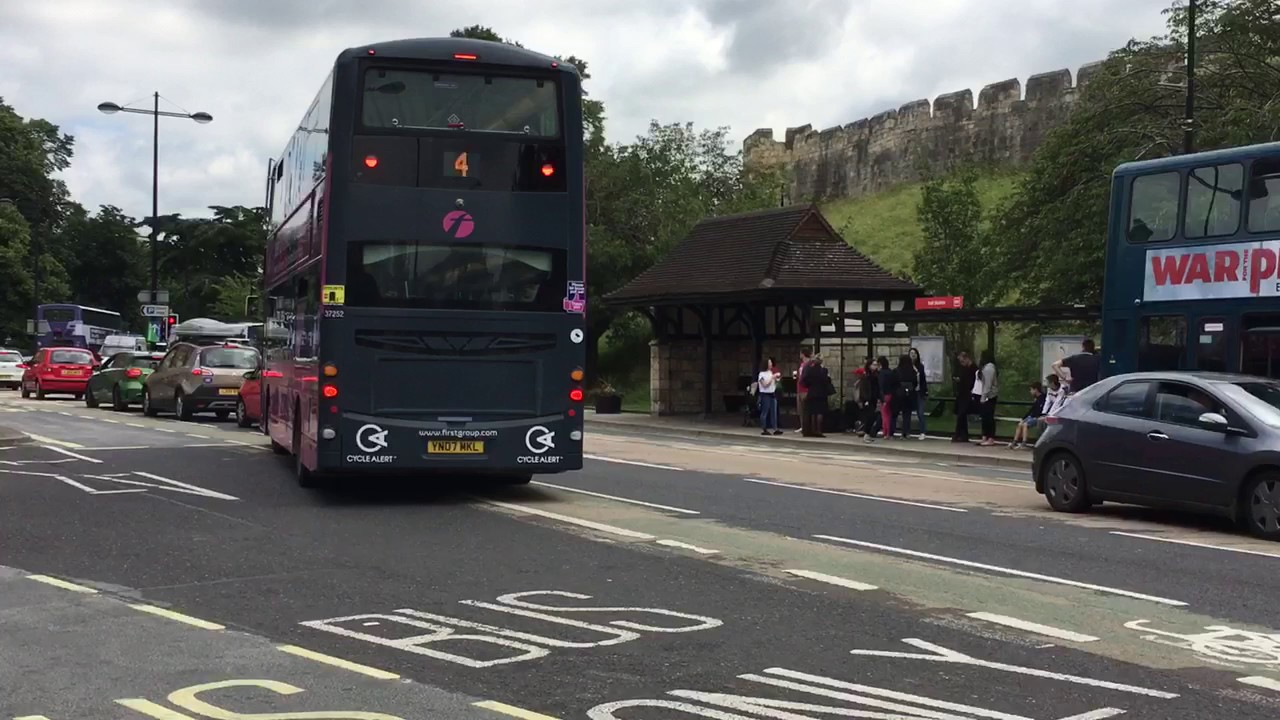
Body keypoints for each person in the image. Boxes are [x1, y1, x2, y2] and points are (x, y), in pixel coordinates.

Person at [801, 356, 833, 437]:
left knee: (812, 412)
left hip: (812, 392)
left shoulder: (810, 370)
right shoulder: (824, 371)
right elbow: (827, 381)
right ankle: (819, 430)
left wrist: (810, 386)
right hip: (821, 393)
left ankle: (812, 430)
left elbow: (805, 380)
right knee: (819, 412)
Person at [1008, 381, 1046, 449]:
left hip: (1038, 417)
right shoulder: (1036, 399)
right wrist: (1024, 418)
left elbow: (1040, 410)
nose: (1030, 391)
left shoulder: (1043, 398)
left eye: (1031, 389)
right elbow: (1031, 409)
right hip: (1032, 416)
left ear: (1036, 390)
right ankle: (1015, 441)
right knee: (1020, 424)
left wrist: (1032, 416)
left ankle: (1024, 443)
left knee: (1025, 424)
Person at [976, 349, 999, 446]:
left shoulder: (988, 368)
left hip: (989, 396)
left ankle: (990, 438)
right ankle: (985, 436)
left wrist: (983, 397)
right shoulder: (989, 367)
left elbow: (987, 385)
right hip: (989, 395)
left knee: (988, 417)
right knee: (985, 417)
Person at [952, 351, 976, 443]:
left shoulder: (973, 369)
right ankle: (963, 435)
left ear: (966, 359)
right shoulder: (964, 369)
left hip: (968, 394)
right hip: (962, 394)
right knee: (961, 414)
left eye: (962, 361)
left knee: (962, 414)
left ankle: (958, 434)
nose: (961, 364)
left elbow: (972, 382)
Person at [756, 357, 782, 436]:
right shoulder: (761, 374)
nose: (771, 364)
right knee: (765, 411)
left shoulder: (770, 372)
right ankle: (764, 428)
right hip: (765, 394)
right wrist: (772, 378)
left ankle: (775, 428)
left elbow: (773, 382)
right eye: (769, 363)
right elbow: (765, 385)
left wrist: (777, 378)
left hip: (772, 393)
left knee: (774, 412)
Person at [858, 358, 881, 442]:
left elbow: (877, 387)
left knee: (874, 416)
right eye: (874, 365)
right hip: (868, 399)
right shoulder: (866, 376)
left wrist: (879, 397)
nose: (875, 367)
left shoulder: (876, 375)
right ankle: (866, 434)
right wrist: (865, 399)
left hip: (874, 398)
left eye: (876, 365)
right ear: (869, 366)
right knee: (869, 416)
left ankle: (868, 433)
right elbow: (863, 388)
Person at [894, 354, 916, 438]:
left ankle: (893, 431)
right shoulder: (912, 371)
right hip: (909, 394)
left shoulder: (897, 370)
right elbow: (915, 382)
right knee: (907, 414)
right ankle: (906, 432)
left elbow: (894, 381)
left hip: (900, 394)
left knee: (896, 413)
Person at [908, 347, 928, 439]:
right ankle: (906, 431)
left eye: (914, 353)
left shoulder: (920, 366)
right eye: (911, 353)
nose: (913, 355)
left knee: (920, 412)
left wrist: (925, 391)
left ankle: (922, 432)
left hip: (920, 392)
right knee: (907, 411)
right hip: (911, 392)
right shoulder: (907, 367)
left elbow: (923, 380)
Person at [794, 347, 813, 435]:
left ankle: (807, 426)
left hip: (806, 389)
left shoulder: (809, 364)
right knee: (800, 410)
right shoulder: (801, 364)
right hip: (799, 389)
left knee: (806, 409)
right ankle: (802, 426)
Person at [876, 355, 896, 439]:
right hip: (891, 394)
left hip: (885, 395)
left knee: (884, 415)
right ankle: (889, 432)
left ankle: (886, 432)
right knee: (889, 414)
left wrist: (881, 398)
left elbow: (881, 386)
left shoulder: (881, 373)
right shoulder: (890, 372)